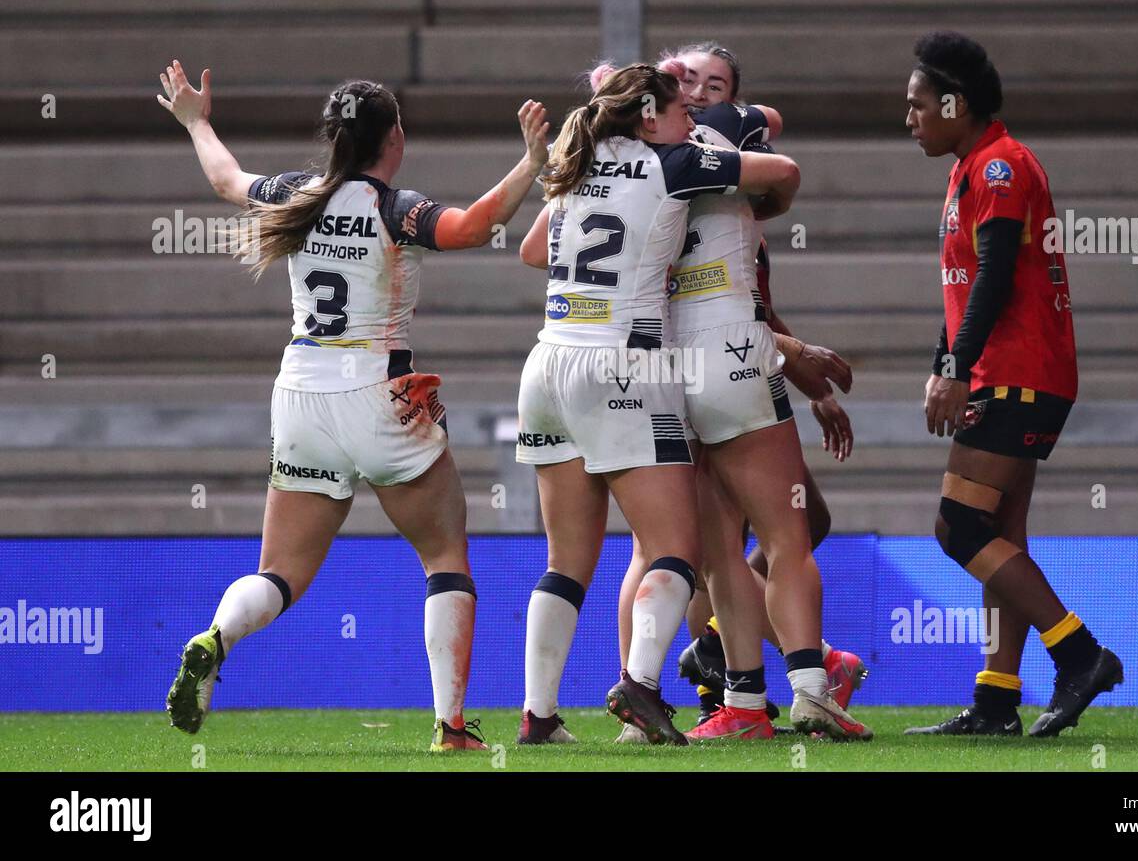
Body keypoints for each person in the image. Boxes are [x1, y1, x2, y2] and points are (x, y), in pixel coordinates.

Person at [156, 59, 549, 751]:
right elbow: (469, 227)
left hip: (302, 397)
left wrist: (195, 119)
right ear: (393, 138)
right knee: (445, 557)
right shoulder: (396, 208)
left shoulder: (292, 194)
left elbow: (224, 179)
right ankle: (451, 727)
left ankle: (217, 637)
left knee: (279, 572)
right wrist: (530, 163)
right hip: (381, 395)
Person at [513, 63, 801, 746]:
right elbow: (782, 169)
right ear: (649, 118)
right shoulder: (675, 162)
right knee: (677, 546)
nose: (690, 123)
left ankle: (539, 717)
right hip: (626, 361)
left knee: (566, 561)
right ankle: (641, 685)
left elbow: (531, 251)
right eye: (680, 114)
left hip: (548, 363)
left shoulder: (578, 164)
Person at [615, 44, 867, 739]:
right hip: (730, 344)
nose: (697, 92)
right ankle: (814, 686)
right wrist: (767, 193)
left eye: (711, 82)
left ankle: (740, 705)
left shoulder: (626, 155)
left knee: (712, 548)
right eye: (686, 81)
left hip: (661, 358)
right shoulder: (725, 130)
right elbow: (779, 152)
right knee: (786, 535)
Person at [897, 33, 1123, 738]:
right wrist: (947, 360)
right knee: (1000, 533)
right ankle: (997, 698)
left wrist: (957, 370)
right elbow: (964, 289)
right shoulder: (975, 165)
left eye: (919, 104)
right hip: (1017, 370)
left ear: (956, 104)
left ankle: (1080, 653)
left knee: (959, 528)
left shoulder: (999, 168)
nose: (909, 118)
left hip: (1016, 372)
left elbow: (995, 277)